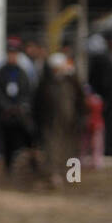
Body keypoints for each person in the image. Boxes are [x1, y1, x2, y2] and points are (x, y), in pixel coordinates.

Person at [33, 52, 85, 186]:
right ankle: (53, 174)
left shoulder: (72, 81)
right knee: (52, 148)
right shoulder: (46, 83)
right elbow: (38, 103)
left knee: (69, 148)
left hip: (70, 122)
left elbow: (80, 101)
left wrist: (80, 117)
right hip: (51, 121)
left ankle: (69, 174)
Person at [0, 40, 34, 175]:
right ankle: (7, 167)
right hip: (4, 114)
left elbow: (27, 92)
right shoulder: (0, 73)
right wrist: (6, 106)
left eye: (14, 54)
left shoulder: (22, 73)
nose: (12, 56)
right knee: (5, 141)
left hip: (19, 113)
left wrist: (19, 106)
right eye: (10, 54)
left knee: (20, 140)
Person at [86, 33, 112, 160]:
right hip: (108, 100)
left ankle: (108, 150)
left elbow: (99, 82)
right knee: (106, 126)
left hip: (107, 100)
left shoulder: (101, 60)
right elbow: (105, 82)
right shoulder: (104, 59)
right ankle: (109, 150)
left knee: (106, 126)